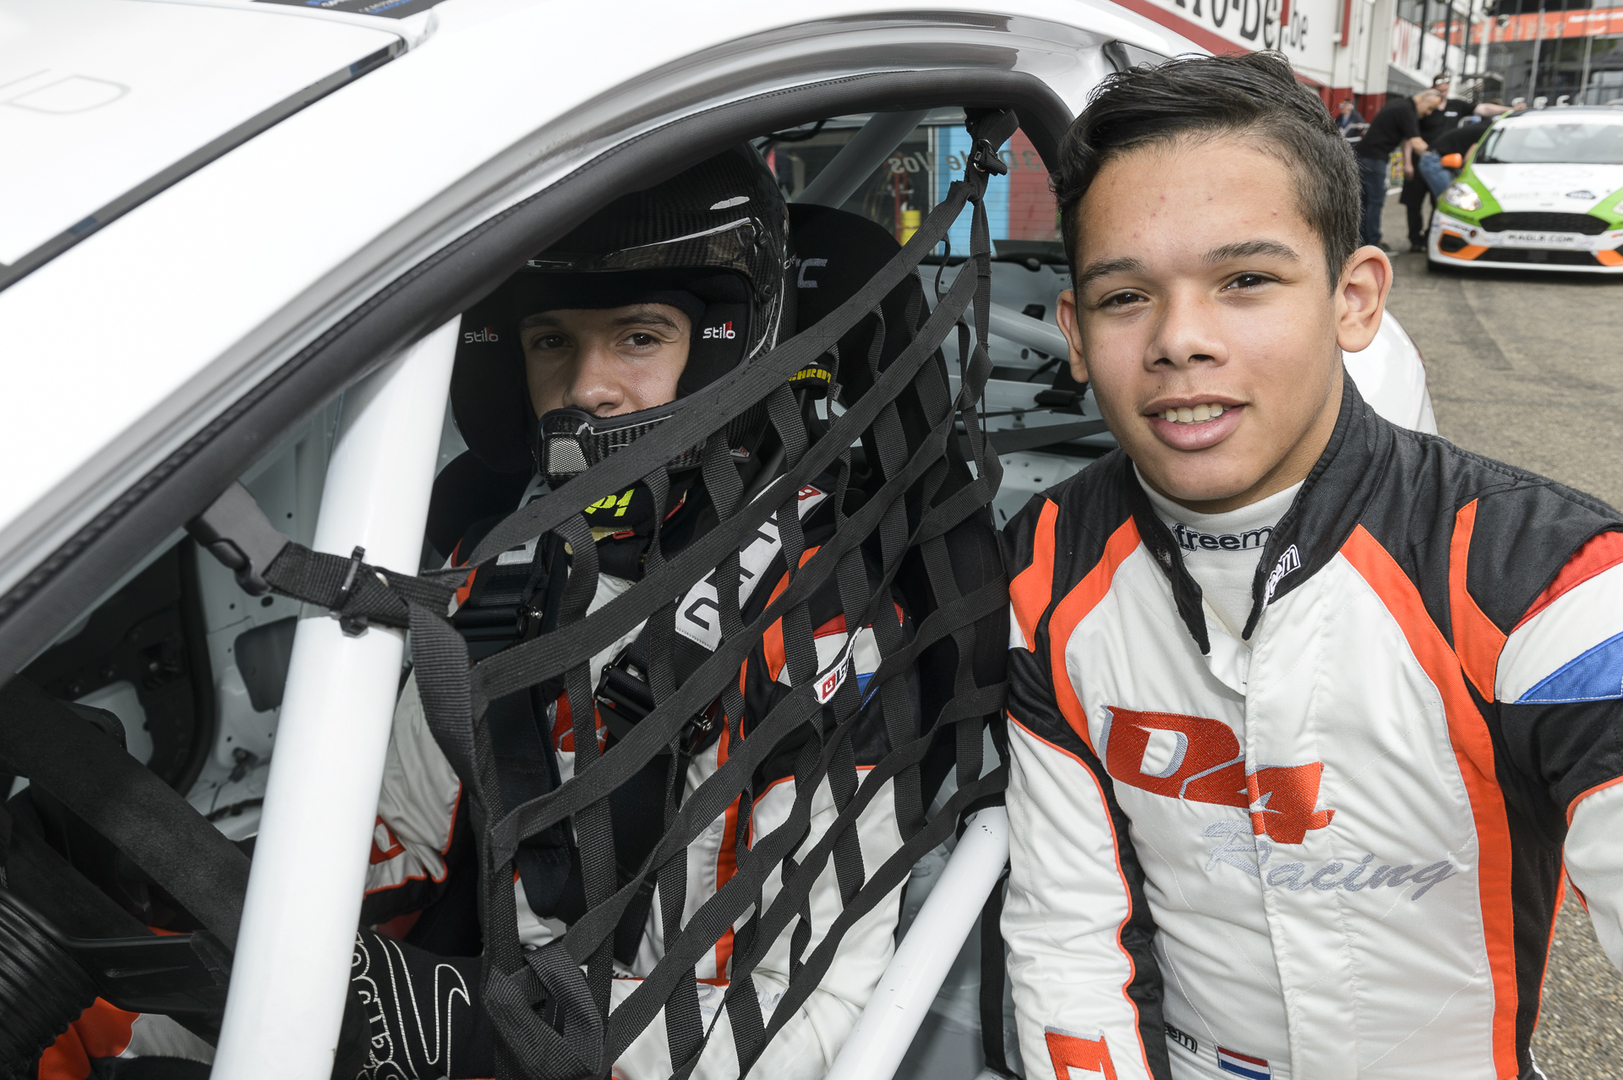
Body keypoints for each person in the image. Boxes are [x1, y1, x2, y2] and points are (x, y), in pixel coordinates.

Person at [1002, 51, 1623, 1080]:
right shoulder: (1049, 560)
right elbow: (1067, 933)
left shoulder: (1549, 579)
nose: (1180, 340)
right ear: (1074, 333)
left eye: (1245, 280)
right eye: (1124, 297)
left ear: (1355, 299)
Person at [347, 146, 921, 1079]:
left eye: (639, 337)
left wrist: (499, 1035)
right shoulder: (492, 557)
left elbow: (811, 1008)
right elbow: (409, 839)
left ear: (724, 343)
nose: (586, 389)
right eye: (551, 344)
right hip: (494, 992)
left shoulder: (809, 617)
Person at [1403, 75, 1519, 250]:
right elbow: (1409, 135)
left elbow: (1484, 108)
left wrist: (1510, 109)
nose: (1442, 92)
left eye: (1445, 88)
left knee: (1442, 201)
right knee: (1428, 201)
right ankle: (1417, 241)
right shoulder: (1424, 108)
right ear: (1432, 90)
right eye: (1439, 89)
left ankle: (1431, 238)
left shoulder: (1457, 105)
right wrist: (1407, 163)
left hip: (1446, 160)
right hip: (1429, 158)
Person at [1353, 88, 1442, 250]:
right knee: (1375, 202)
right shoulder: (1407, 111)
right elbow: (1416, 143)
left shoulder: (1400, 105)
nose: (1429, 113)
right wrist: (1439, 159)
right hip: (1374, 158)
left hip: (1363, 155)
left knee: (1364, 201)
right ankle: (1373, 242)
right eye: (1430, 108)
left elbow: (1407, 138)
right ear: (1422, 99)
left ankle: (1361, 241)